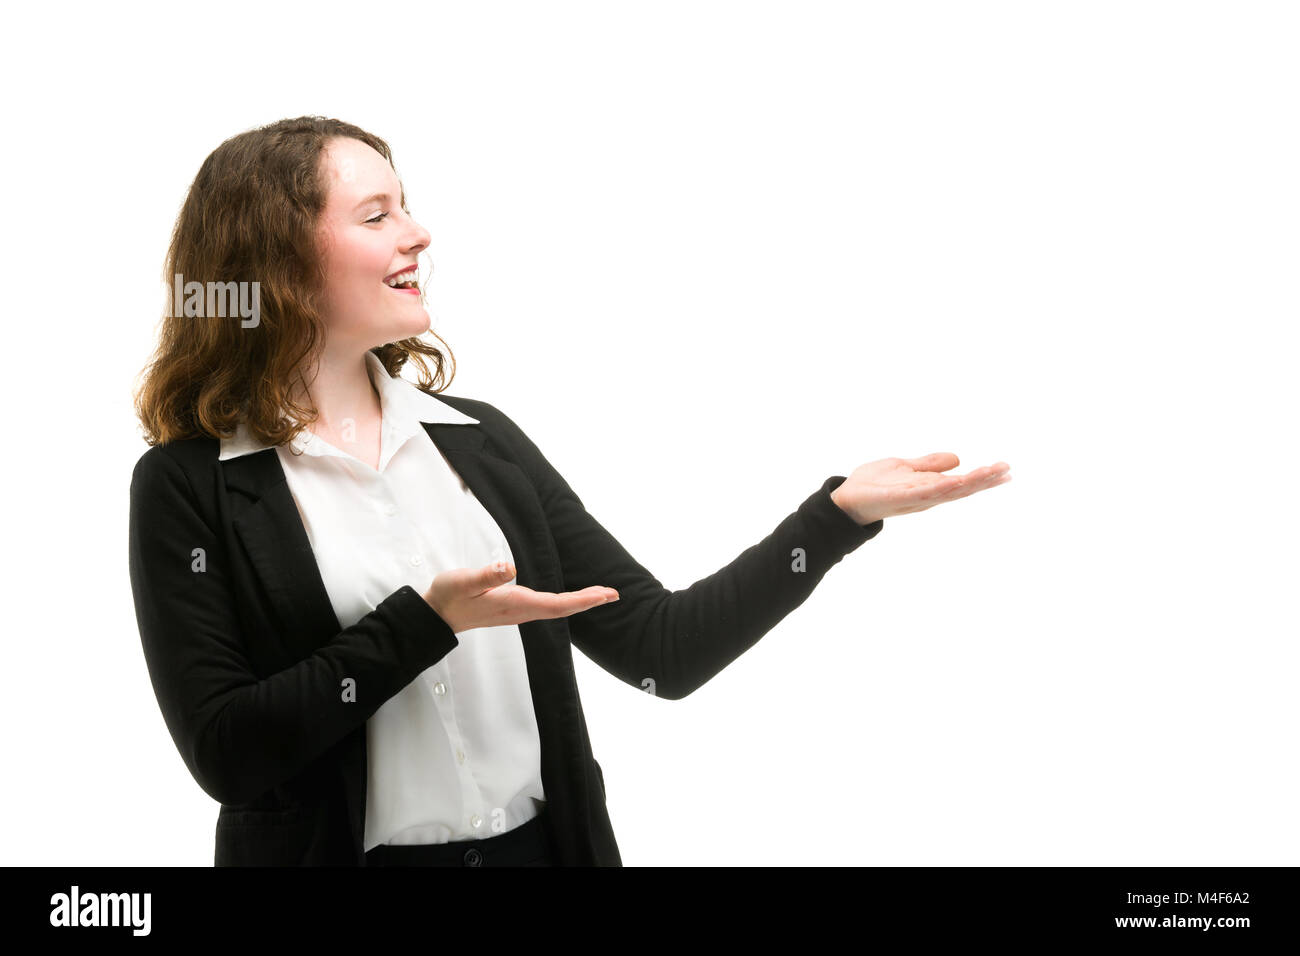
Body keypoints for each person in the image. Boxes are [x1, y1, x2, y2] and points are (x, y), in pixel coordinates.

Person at [129, 116, 1011, 867]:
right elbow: (229, 755)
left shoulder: (482, 443)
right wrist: (422, 626)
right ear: (278, 260)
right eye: (377, 213)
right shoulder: (187, 487)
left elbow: (662, 648)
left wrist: (833, 517)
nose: (419, 233)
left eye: (407, 203)